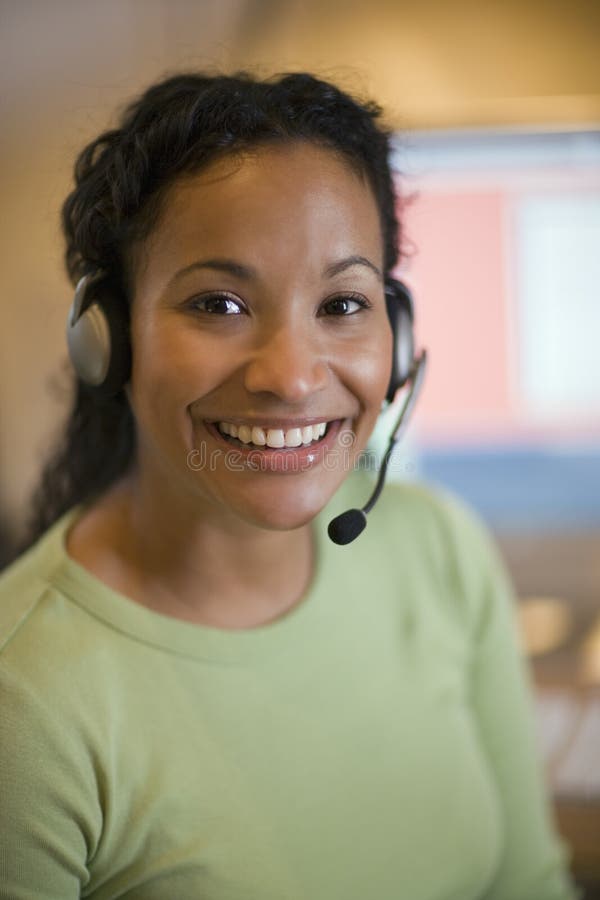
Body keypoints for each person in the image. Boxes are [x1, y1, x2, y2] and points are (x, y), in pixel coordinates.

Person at [0, 71, 578, 900]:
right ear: (109, 338)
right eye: (219, 303)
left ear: (397, 335)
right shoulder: (25, 702)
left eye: (341, 305)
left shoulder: (439, 551)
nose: (293, 377)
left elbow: (530, 884)